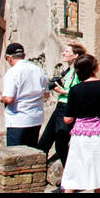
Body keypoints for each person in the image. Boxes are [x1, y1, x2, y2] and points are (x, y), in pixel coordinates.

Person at [60, 54, 100, 193]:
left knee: (74, 169)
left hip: (80, 135)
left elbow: (67, 119)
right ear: (94, 68)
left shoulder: (75, 90)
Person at [39, 42, 85, 176]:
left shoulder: (78, 72)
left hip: (67, 108)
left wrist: (62, 91)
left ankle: (72, 178)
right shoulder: (69, 70)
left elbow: (79, 93)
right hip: (60, 107)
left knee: (61, 144)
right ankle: (38, 172)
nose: (64, 53)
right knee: (45, 141)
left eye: (67, 51)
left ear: (76, 55)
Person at [0, 43, 48, 147]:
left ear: (9, 58)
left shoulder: (12, 72)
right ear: (24, 55)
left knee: (15, 155)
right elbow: (47, 95)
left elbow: (9, 99)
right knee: (31, 152)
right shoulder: (39, 70)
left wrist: (1, 98)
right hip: (36, 118)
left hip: (18, 120)